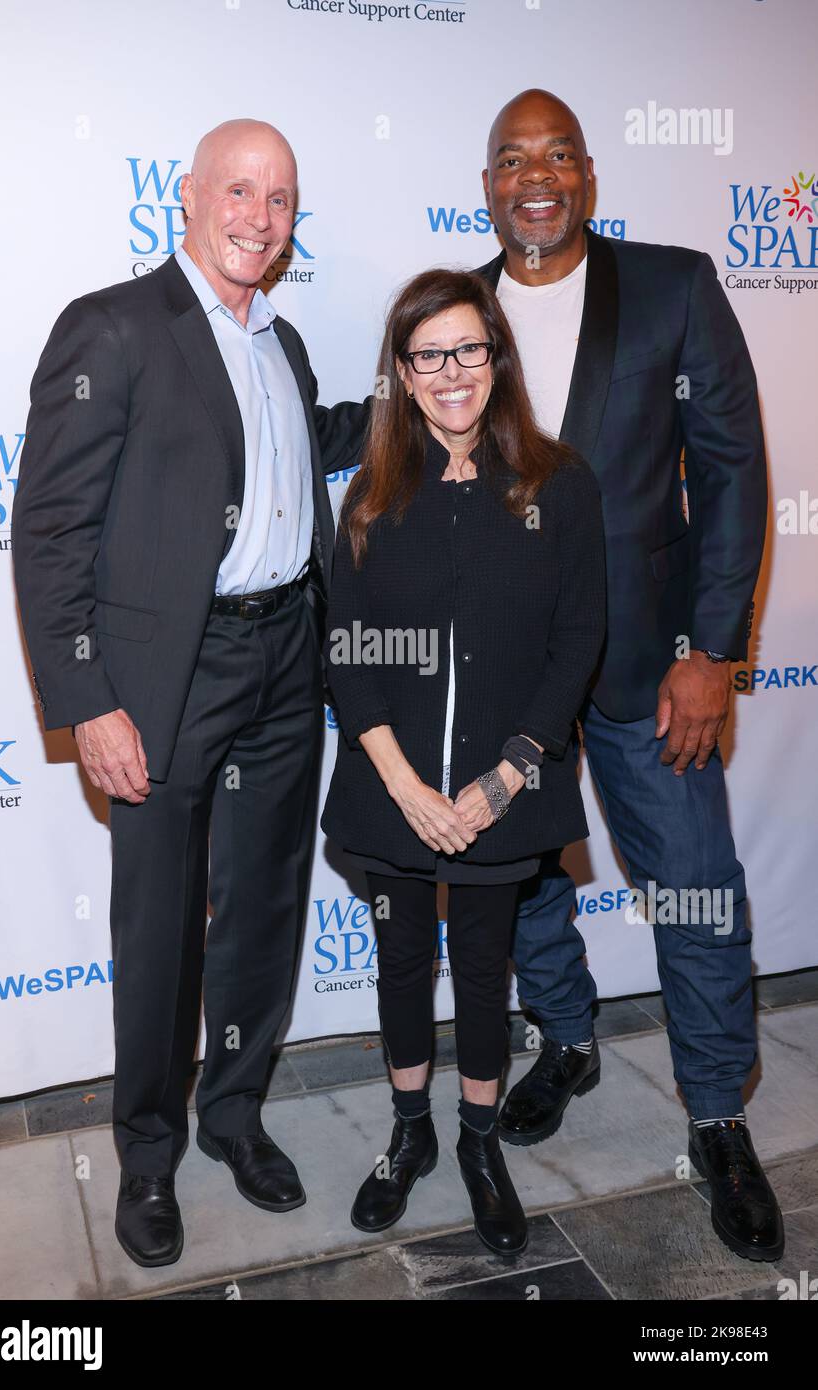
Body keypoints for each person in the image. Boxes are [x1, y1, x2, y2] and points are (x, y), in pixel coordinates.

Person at [12, 119, 361, 1268]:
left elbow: (299, 452)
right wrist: (88, 699)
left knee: (262, 907)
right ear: (191, 196)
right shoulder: (114, 327)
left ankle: (235, 1115)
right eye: (242, 191)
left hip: (281, 665)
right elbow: (51, 528)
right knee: (161, 929)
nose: (261, 216)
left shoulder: (285, 344)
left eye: (281, 199)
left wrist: (433, 390)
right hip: (165, 680)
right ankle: (149, 1158)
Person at [476, 88, 782, 1262]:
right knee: (526, 881)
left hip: (656, 667)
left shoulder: (672, 284)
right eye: (512, 159)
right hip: (511, 673)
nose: (535, 177)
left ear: (589, 176)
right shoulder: (462, 309)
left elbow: (734, 469)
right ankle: (566, 1037)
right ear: (489, 184)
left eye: (556, 157)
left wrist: (714, 651)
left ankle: (714, 1115)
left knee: (697, 889)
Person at [320, 268, 605, 1254]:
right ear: (402, 371)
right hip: (389, 792)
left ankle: (479, 1139)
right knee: (403, 962)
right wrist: (406, 788)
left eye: (469, 349)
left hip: (504, 793)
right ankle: (410, 1136)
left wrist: (505, 776)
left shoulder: (558, 485)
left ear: (497, 357)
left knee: (486, 971)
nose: (452, 372)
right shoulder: (371, 491)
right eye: (428, 354)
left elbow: (578, 641)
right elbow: (346, 651)